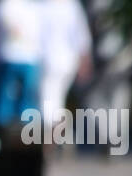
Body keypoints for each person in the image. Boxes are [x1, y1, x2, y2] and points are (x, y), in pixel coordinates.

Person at [0, 0, 42, 128]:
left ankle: (8, 133)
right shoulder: (6, 5)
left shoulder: (4, 5)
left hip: (14, 58)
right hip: (17, 58)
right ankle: (9, 134)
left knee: (9, 99)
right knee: (14, 99)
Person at [37, 0, 93, 130]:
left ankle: (54, 135)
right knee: (56, 99)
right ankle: (62, 135)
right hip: (67, 61)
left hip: (48, 61)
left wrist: (84, 62)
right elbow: (82, 37)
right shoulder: (71, 6)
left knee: (48, 98)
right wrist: (84, 61)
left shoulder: (43, 5)